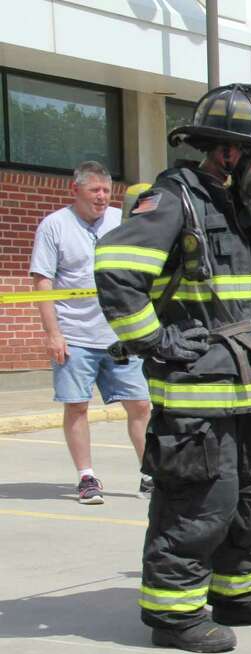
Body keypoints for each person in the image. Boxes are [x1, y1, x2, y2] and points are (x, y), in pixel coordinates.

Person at [95, 83, 251, 653]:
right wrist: (154, 341)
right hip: (195, 390)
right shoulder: (174, 200)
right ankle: (175, 615)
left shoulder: (236, 207)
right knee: (199, 503)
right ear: (229, 152)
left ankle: (237, 594)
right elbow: (116, 270)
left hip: (244, 383)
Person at [29, 161, 152, 505]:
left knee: (141, 405)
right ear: (76, 190)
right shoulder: (54, 226)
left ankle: (150, 474)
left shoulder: (120, 222)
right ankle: (86, 477)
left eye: (105, 190)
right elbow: (42, 282)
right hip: (75, 334)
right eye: (94, 190)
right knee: (77, 407)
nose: (101, 197)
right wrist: (53, 333)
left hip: (119, 335)